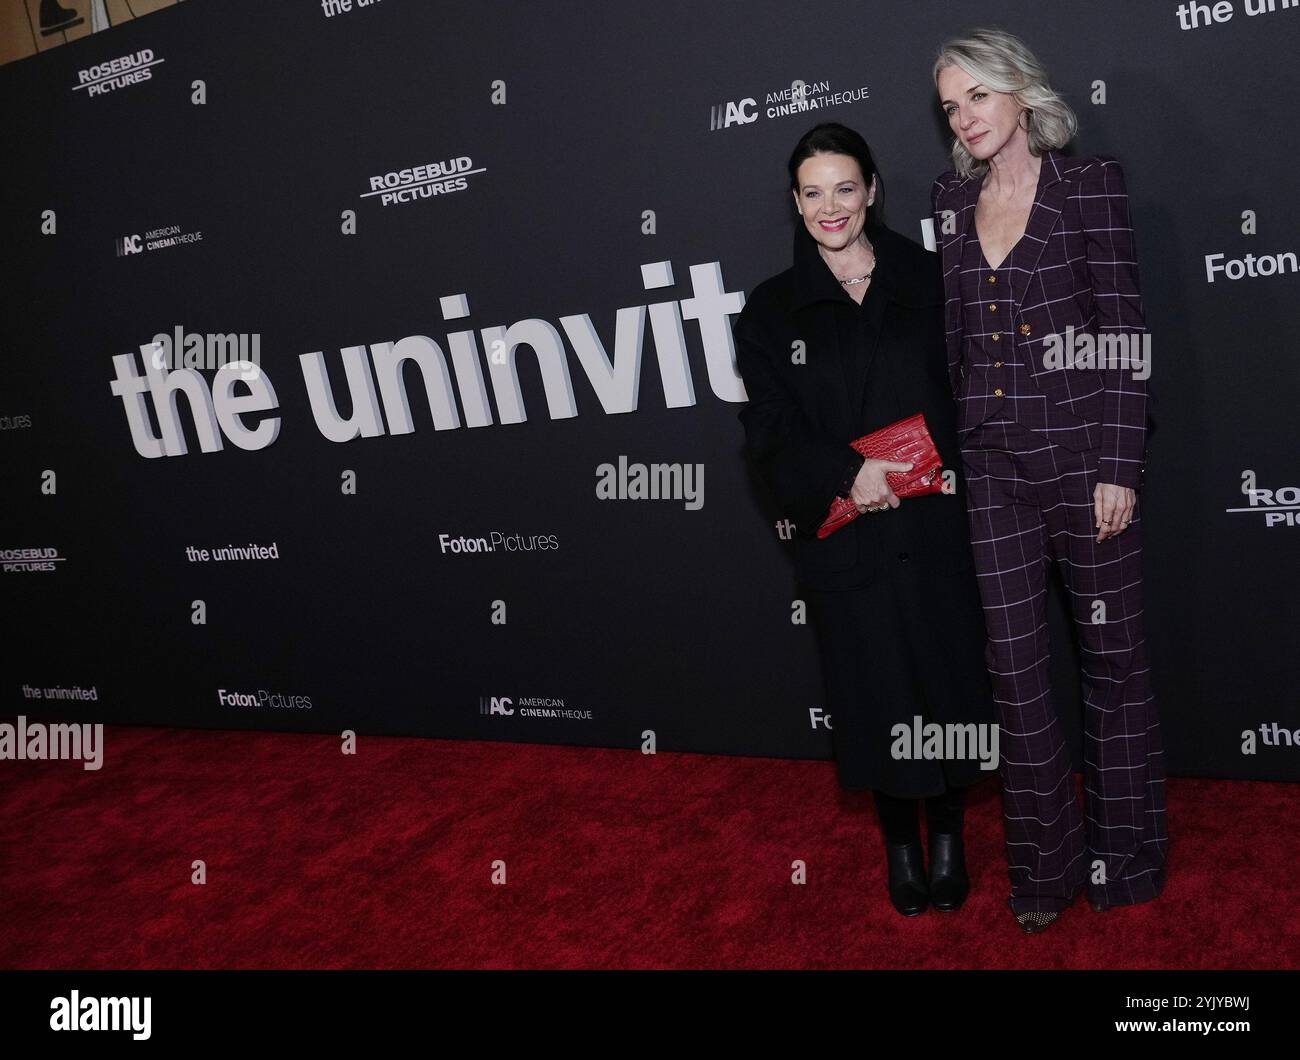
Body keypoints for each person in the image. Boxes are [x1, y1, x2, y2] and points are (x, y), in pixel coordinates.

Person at [931, 27, 1169, 932]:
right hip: (992, 469)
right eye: (952, 105)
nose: (965, 116)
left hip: (1083, 463)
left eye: (977, 96)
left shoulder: (1088, 187)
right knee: (1018, 680)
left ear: (1019, 92)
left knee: (1113, 665)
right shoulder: (950, 201)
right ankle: (1045, 871)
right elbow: (953, 340)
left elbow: (1123, 330)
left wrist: (1119, 464)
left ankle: (1129, 859)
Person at [733, 121, 998, 917]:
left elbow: (969, 391)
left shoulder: (929, 275)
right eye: (812, 192)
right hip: (849, 533)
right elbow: (768, 434)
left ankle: (949, 837)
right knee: (876, 692)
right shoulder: (771, 310)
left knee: (947, 683)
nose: (830, 206)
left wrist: (949, 474)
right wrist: (852, 471)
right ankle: (902, 849)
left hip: (937, 527)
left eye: (844, 187)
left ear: (872, 189)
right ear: (795, 203)